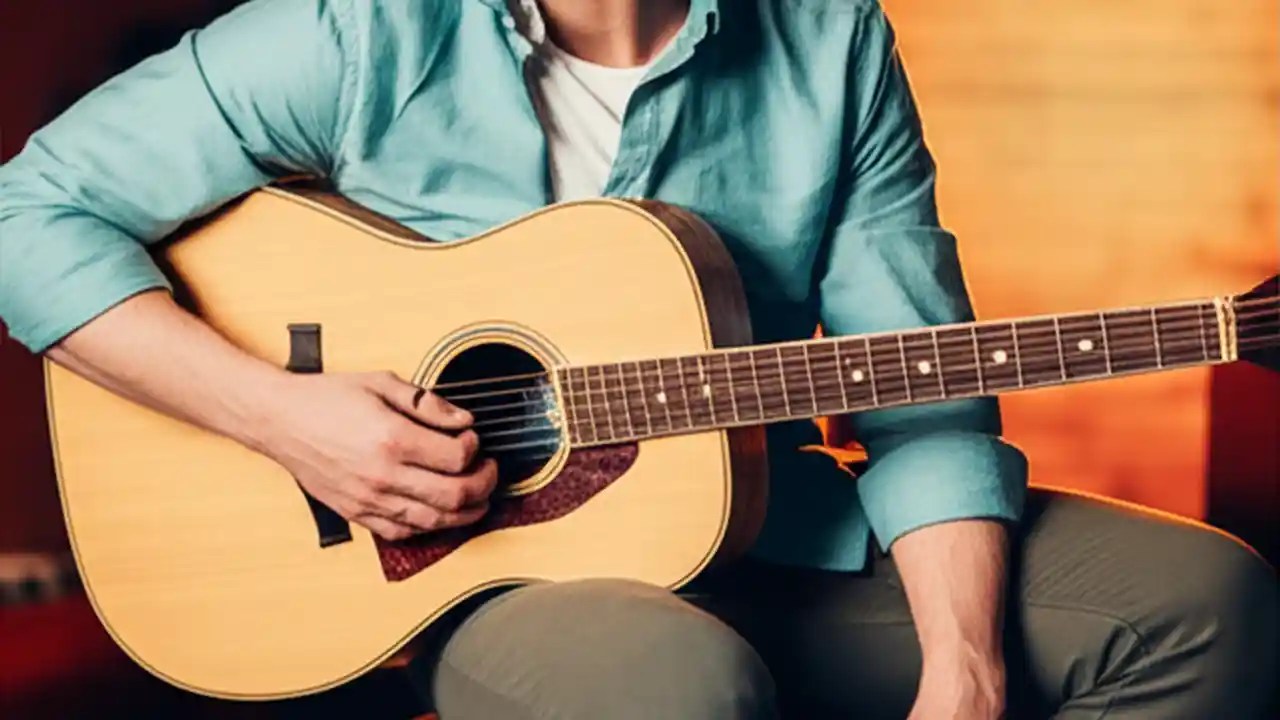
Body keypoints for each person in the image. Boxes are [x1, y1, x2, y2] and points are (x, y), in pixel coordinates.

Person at [0, 0, 1274, 717]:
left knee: (1202, 601)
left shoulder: (830, 40)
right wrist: (283, 420)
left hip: (769, 527)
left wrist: (965, 670)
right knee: (679, 685)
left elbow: (917, 392)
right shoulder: (355, 29)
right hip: (488, 578)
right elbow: (24, 215)